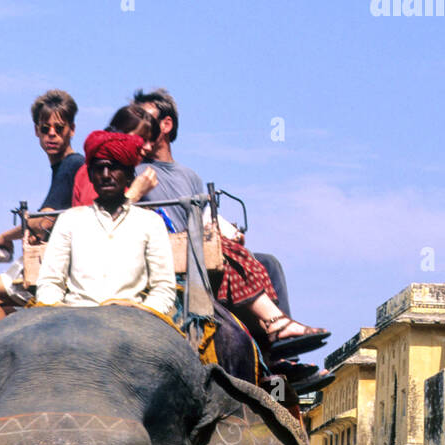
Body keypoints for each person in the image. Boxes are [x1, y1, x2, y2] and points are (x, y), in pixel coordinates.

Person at [131, 88, 327, 347]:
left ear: (166, 124)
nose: (137, 125)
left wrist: (222, 227)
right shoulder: (137, 170)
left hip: (196, 247)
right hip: (173, 254)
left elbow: (200, 216)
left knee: (268, 262)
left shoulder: (189, 176)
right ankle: (274, 323)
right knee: (225, 252)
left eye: (144, 118)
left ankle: (280, 352)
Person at [0, 89, 84, 330]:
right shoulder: (65, 167)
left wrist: (4, 237)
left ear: (72, 130)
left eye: (59, 128)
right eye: (45, 129)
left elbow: (44, 218)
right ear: (36, 131)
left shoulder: (71, 165)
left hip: (62, 270)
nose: (51, 135)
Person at [35, 131, 176, 317]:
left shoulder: (150, 223)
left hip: (132, 320)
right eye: (99, 169)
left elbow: (164, 289)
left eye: (114, 168)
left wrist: (139, 313)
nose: (106, 175)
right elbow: (49, 283)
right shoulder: (69, 220)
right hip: (74, 320)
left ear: (129, 175)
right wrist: (61, 315)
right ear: (91, 176)